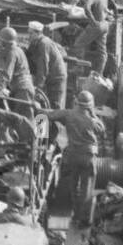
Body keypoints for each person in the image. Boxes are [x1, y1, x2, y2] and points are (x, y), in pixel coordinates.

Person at [48, 92, 109, 227]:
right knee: (86, 189)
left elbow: (51, 114)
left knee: (74, 186)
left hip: (73, 156)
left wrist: (38, 110)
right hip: (88, 158)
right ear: (90, 105)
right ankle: (84, 220)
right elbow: (102, 130)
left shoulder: (68, 114)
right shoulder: (93, 121)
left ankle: (75, 215)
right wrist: (92, 114)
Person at [26, 21, 68, 108]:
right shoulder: (35, 42)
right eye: (28, 33)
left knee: (54, 106)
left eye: (31, 33)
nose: (28, 36)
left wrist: (38, 87)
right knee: (45, 104)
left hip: (56, 78)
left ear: (38, 33)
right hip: (49, 77)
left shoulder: (44, 44)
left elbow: (43, 67)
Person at [0, 27, 36, 106]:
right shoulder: (16, 50)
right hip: (21, 88)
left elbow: (6, 75)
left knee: (26, 117)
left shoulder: (12, 53)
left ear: (5, 42)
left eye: (1, 41)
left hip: (22, 90)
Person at [74, 0, 110, 76]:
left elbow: (87, 7)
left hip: (96, 25)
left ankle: (79, 70)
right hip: (104, 24)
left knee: (78, 44)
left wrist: (92, 21)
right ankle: (99, 73)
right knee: (102, 51)